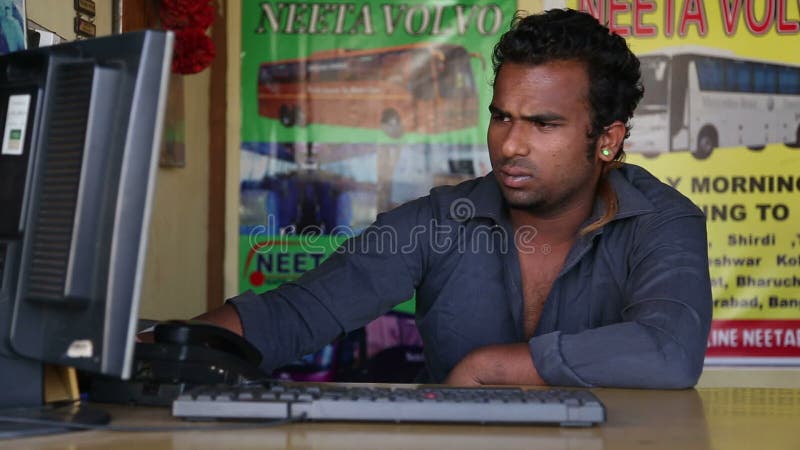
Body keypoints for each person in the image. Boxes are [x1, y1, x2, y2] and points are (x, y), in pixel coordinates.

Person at [195, 8, 712, 389]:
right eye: (502, 116)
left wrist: (495, 367)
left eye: (543, 123)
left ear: (607, 139)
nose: (510, 144)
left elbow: (669, 351)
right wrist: (155, 350)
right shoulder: (438, 222)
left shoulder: (662, 223)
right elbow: (293, 316)